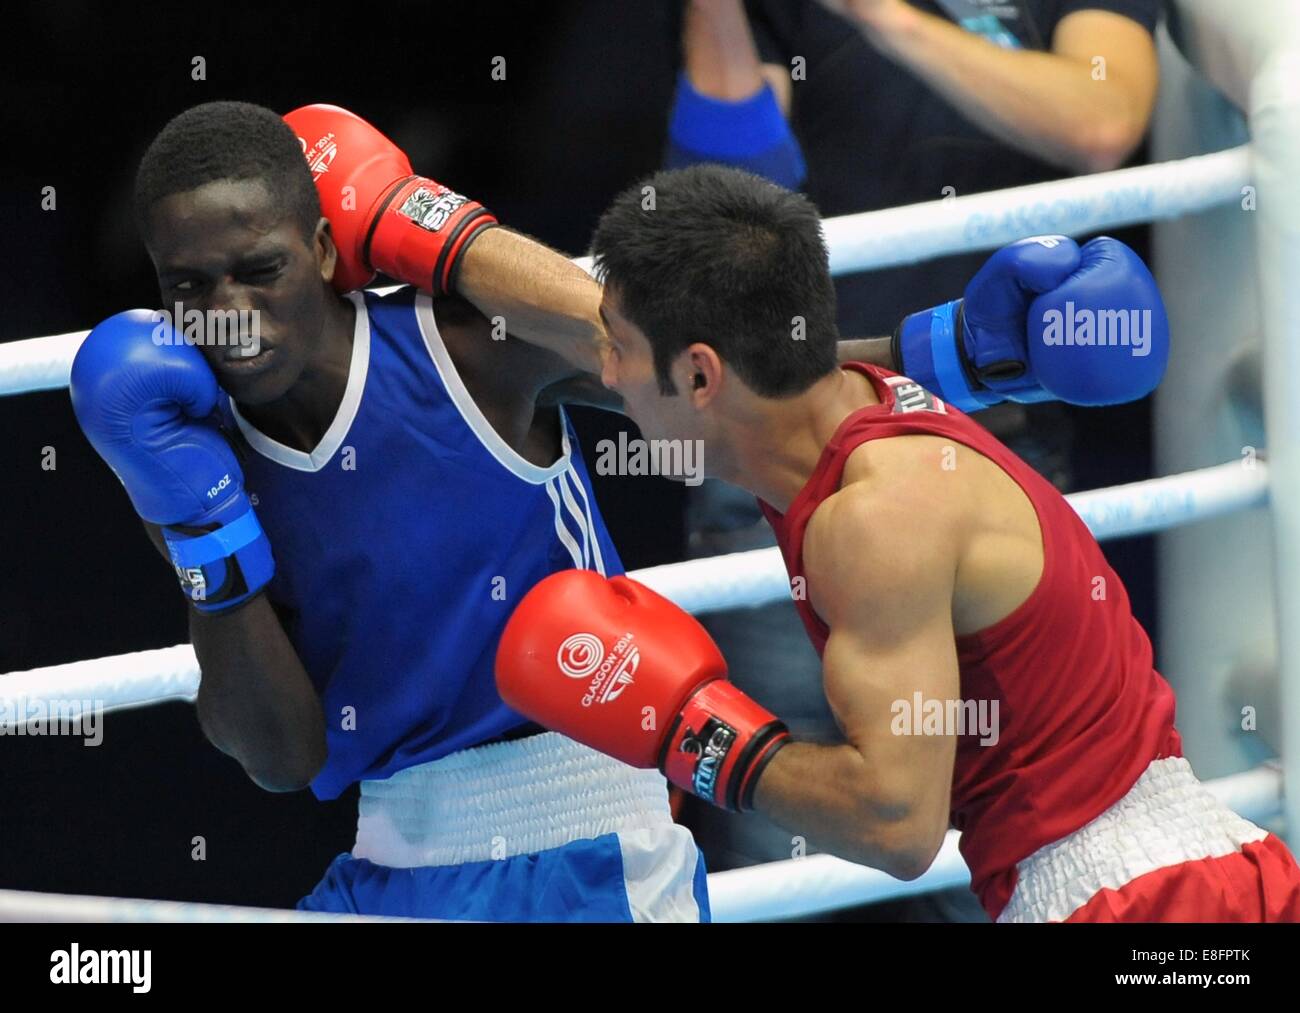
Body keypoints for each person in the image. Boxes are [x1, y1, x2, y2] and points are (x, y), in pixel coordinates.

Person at [494, 163, 1300, 922]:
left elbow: (897, 823)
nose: (602, 373)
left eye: (618, 348)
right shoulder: (854, 399)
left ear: (702, 378)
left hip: (1134, 905)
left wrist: (692, 737)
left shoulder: (877, 517)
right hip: (1186, 878)